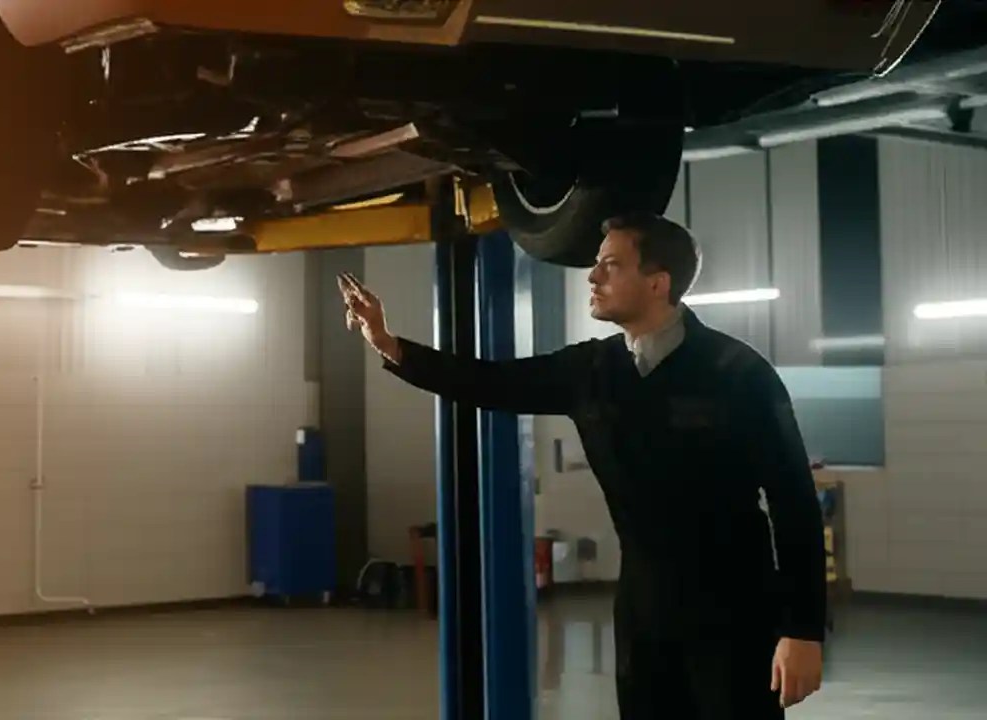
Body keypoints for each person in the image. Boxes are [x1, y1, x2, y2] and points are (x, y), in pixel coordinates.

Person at [338, 213, 825, 719]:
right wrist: (390, 345)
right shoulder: (592, 370)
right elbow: (489, 382)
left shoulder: (739, 373)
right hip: (643, 610)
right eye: (597, 264)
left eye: (611, 266)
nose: (593, 277)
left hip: (736, 610)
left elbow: (794, 503)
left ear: (658, 284)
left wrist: (804, 629)